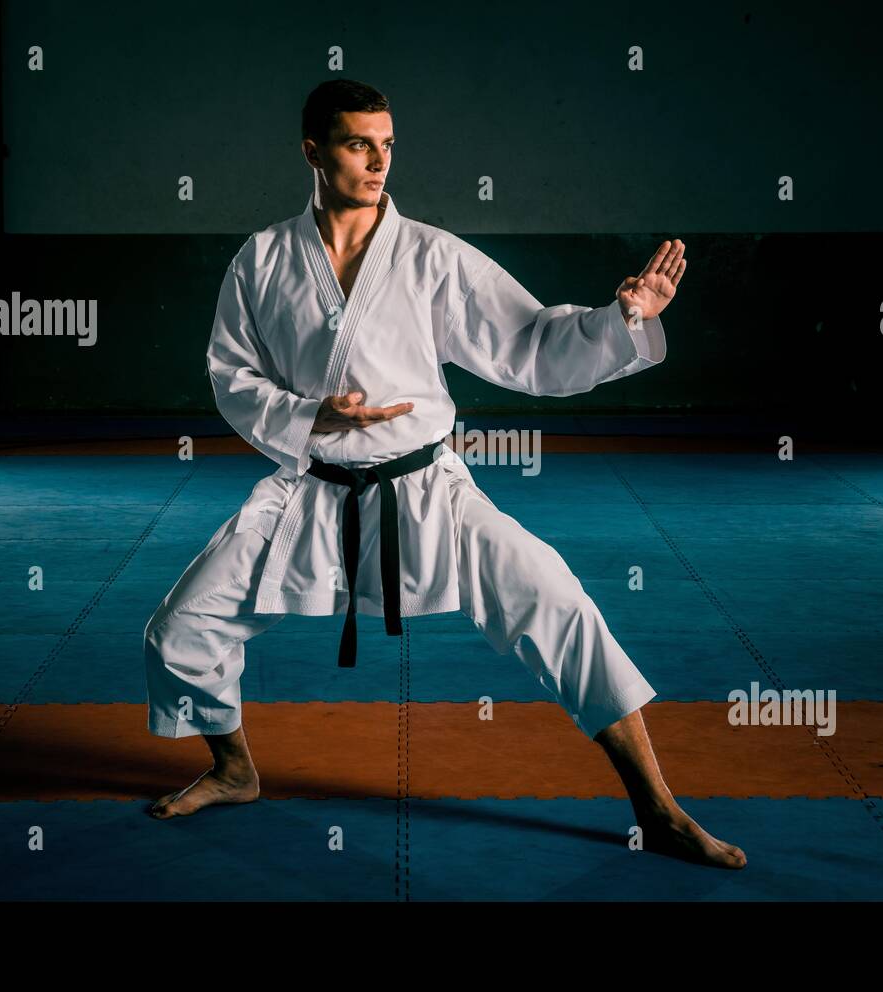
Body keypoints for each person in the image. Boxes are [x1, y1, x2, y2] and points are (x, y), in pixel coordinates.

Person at [142, 79, 746, 869]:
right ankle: (233, 767)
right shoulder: (262, 260)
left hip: (427, 488)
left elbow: (528, 343)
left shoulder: (431, 255)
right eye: (359, 143)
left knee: (558, 600)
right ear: (313, 150)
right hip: (312, 490)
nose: (378, 160)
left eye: (387, 143)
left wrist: (624, 319)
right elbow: (231, 374)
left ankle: (658, 808)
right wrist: (313, 417)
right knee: (180, 627)